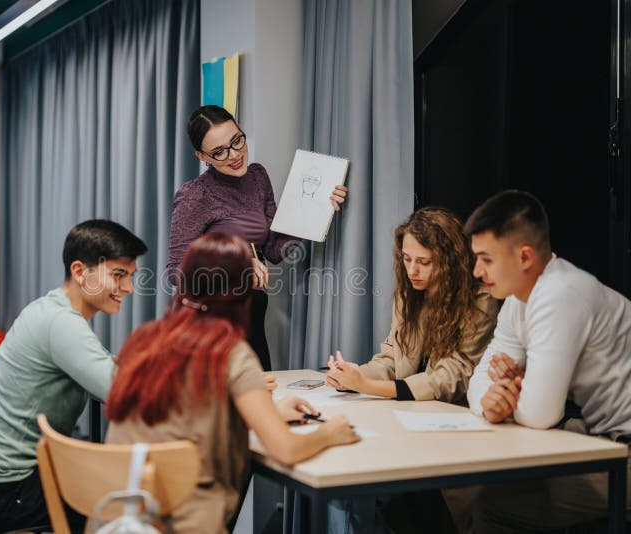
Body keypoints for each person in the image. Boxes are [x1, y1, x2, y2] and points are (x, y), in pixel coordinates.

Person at [107, 232, 359, 533]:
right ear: (244, 292)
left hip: (120, 511)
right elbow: (286, 450)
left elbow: (188, 416)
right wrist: (330, 433)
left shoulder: (145, 338)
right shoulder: (229, 352)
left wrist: (270, 414)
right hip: (182, 520)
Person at [0, 220, 148, 533]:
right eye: (119, 275)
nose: (129, 288)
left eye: (132, 277)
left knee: (115, 485)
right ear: (81, 271)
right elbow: (121, 392)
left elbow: (103, 365)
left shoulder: (52, 309)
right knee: (129, 502)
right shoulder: (61, 323)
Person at [463, 190, 631, 531]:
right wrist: (490, 402)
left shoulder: (560, 293)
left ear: (524, 256)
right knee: (465, 484)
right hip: (596, 437)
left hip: (621, 450)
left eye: (486, 259)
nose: (477, 271)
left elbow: (541, 413)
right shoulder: (518, 299)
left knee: (484, 500)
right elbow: (480, 376)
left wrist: (512, 396)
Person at [166, 105, 348, 371]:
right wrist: (236, 265)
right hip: (212, 324)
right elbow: (176, 271)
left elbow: (274, 248)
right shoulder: (195, 195)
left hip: (253, 312)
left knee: (265, 396)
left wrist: (318, 207)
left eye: (237, 140)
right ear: (202, 156)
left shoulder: (257, 177)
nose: (234, 155)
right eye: (219, 152)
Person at [325, 207, 499, 403]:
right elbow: (392, 359)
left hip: (453, 413)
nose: (412, 271)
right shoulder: (408, 294)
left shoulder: (479, 299)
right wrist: (351, 376)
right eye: (407, 259)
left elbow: (452, 378)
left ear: (449, 262)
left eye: (424, 262)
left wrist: (367, 385)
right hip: (411, 408)